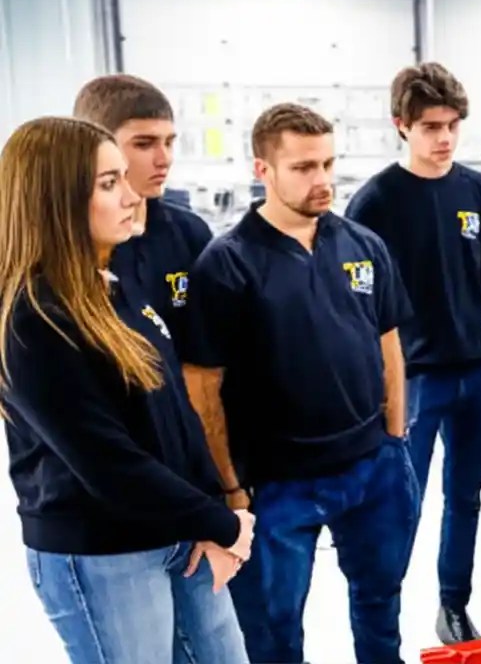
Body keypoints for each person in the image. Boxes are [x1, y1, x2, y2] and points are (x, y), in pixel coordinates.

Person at [0, 116, 253, 664]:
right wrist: (221, 522)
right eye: (109, 182)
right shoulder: (34, 318)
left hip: (178, 530)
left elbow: (175, 416)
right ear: (57, 200)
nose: (133, 196)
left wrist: (211, 510)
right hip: (103, 551)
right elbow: (106, 461)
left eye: (124, 177)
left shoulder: (114, 287)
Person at [182, 104, 417, 664]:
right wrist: (232, 489)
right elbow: (203, 386)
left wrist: (394, 440)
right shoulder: (228, 264)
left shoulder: (362, 245)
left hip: (372, 467)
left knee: (381, 605)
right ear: (263, 169)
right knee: (274, 631)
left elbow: (389, 346)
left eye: (329, 164)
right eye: (304, 167)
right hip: (278, 485)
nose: (323, 181)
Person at [345, 62, 481, 643]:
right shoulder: (375, 202)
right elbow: (355, 305)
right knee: (399, 506)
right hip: (413, 380)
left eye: (453, 125)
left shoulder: (477, 190)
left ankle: (453, 605)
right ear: (401, 126)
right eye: (431, 126)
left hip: (476, 369)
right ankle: (382, 622)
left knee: (466, 498)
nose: (444, 138)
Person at [73, 75, 214, 362]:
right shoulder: (69, 245)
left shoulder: (189, 233)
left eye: (169, 143)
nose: (164, 159)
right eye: (144, 144)